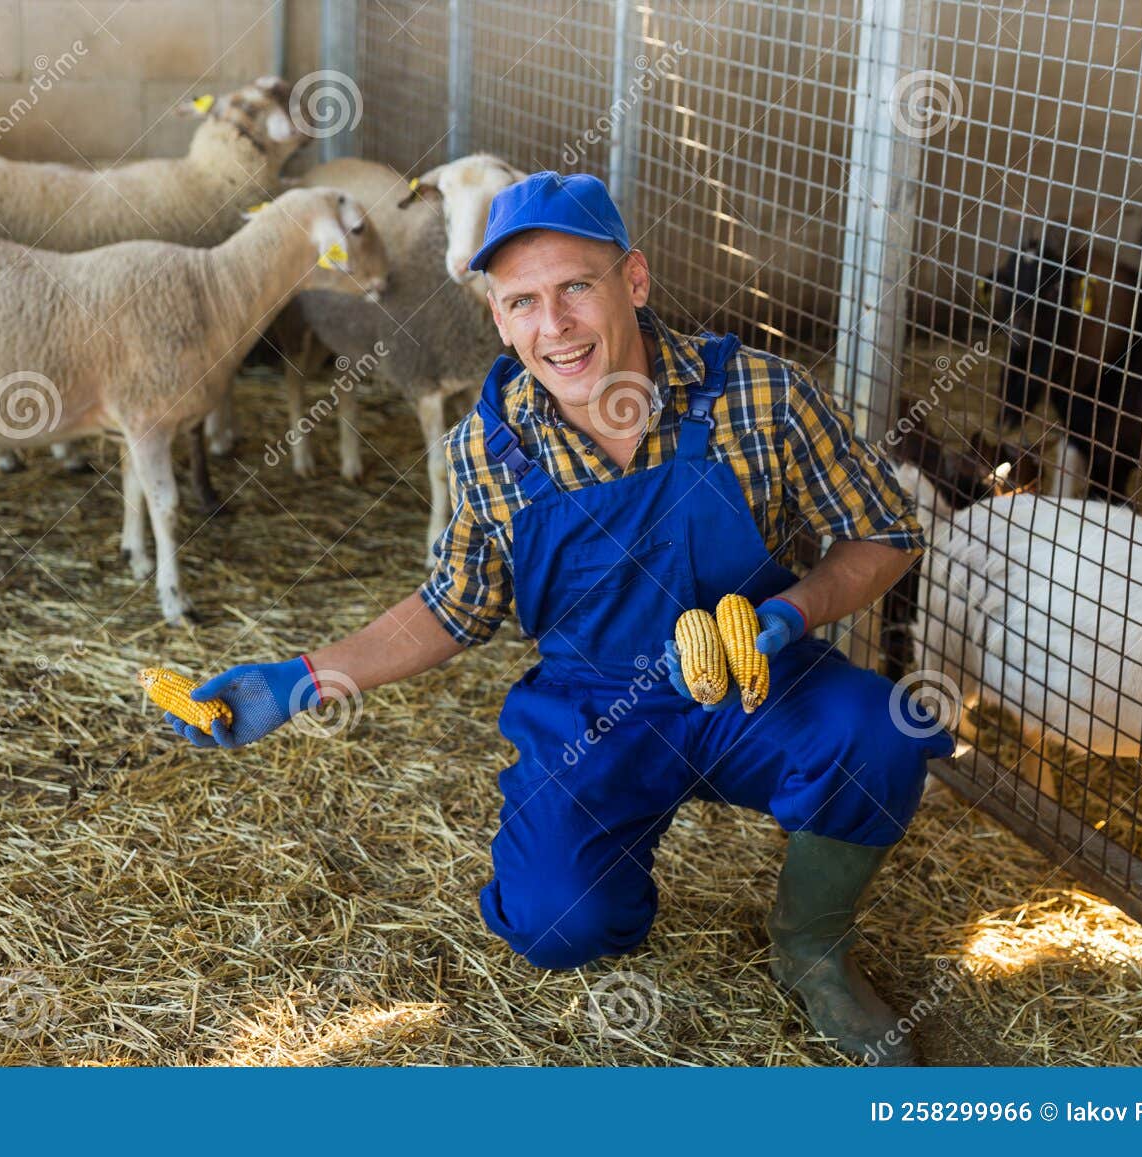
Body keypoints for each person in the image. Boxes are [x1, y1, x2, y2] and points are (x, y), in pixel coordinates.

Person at [165, 171, 955, 1064]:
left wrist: (795, 609)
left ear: (636, 282)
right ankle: (609, 865)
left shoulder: (760, 397)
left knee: (884, 730)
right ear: (497, 319)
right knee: (554, 924)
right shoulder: (487, 451)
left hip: (760, 677)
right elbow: (452, 607)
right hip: (598, 709)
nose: (556, 326)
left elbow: (884, 532)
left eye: (577, 286)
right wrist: (302, 677)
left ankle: (812, 947)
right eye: (523, 302)